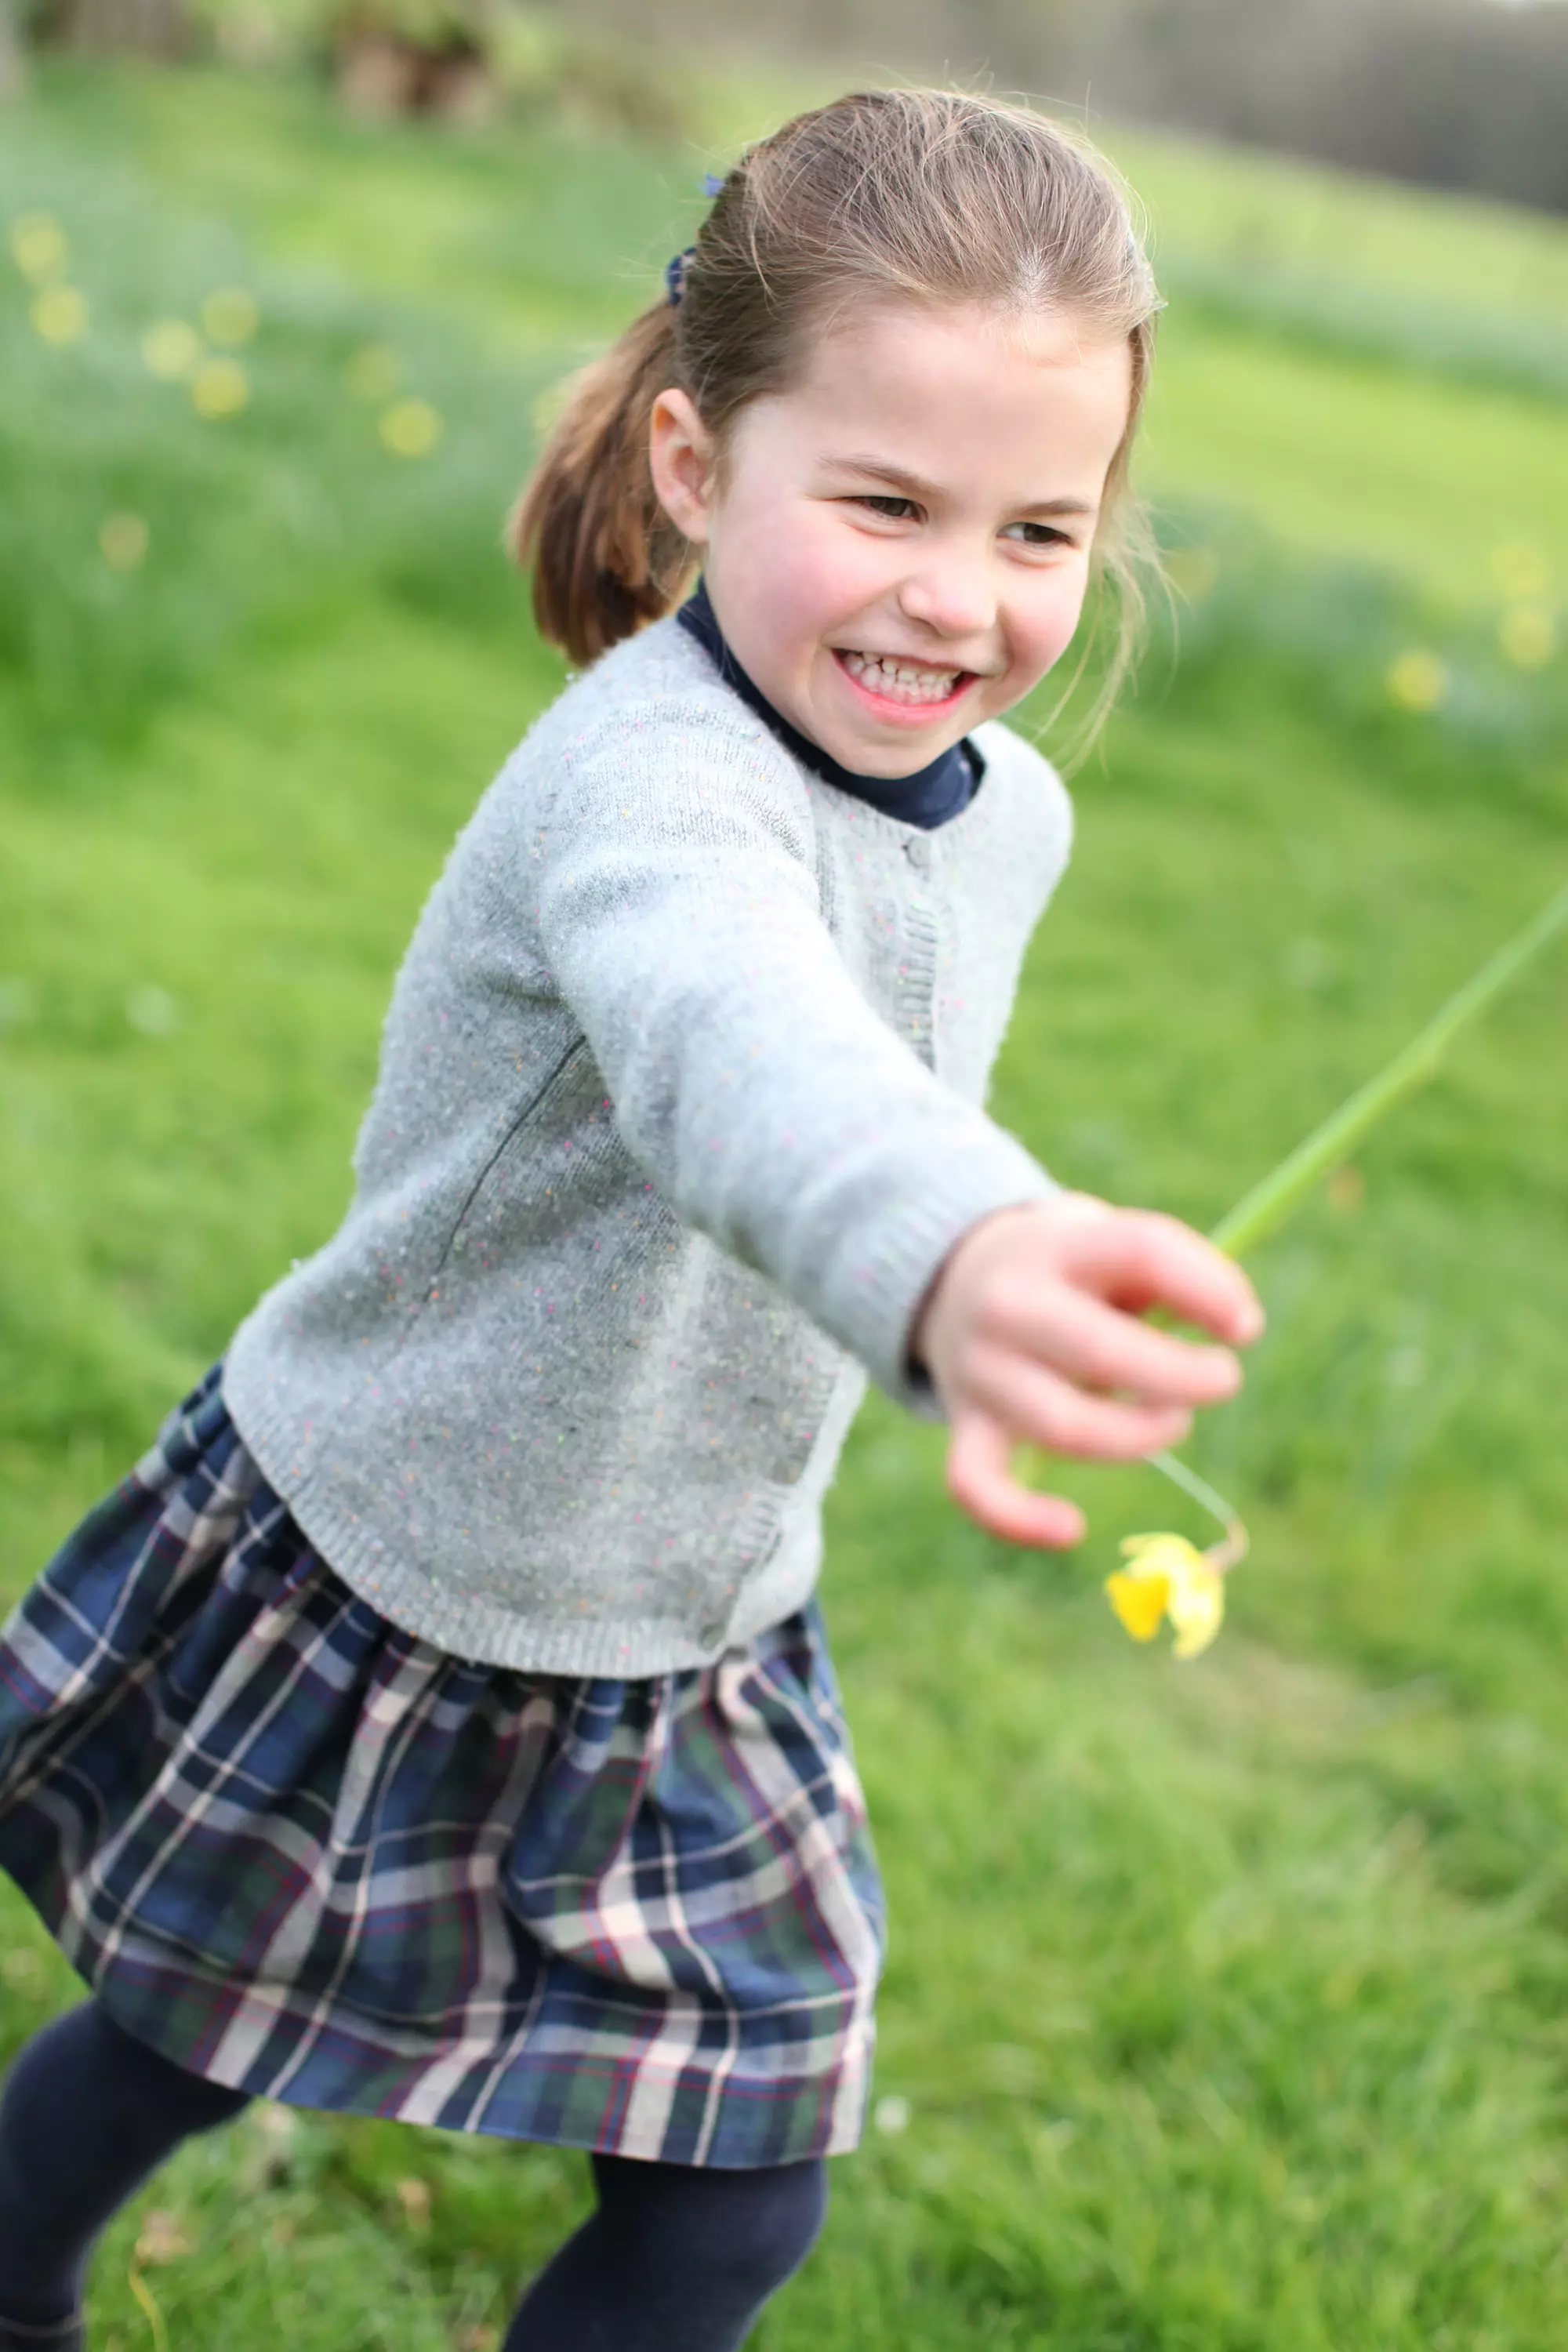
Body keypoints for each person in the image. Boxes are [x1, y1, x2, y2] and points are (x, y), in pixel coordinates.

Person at [0, 85, 1263, 2352]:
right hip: (396, 1560)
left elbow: (872, 1059)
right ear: (697, 466)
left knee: (732, 2205)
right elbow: (735, 1046)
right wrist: (952, 1257)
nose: (959, 599)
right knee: (189, 2036)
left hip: (694, 1617)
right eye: (884, 501)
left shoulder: (1014, 815)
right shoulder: (646, 779)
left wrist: (997, 1237)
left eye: (1041, 531)